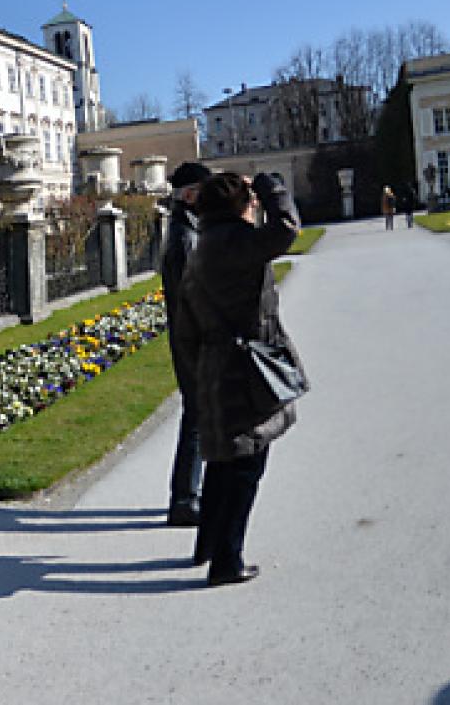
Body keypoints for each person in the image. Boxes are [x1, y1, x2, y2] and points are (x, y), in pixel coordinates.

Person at [183, 171, 304, 587]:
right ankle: (227, 560)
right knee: (247, 465)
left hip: (218, 362)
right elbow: (287, 228)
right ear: (240, 205)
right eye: (250, 201)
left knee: (224, 462)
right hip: (245, 365)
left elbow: (185, 324)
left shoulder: (205, 245)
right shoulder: (233, 241)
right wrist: (271, 184)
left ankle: (209, 546)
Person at [160, 161, 212, 527]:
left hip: (189, 335)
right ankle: (184, 499)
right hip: (193, 338)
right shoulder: (184, 237)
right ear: (190, 194)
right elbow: (190, 295)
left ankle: (188, 494)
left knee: (198, 414)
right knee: (196, 415)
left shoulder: (186, 230)